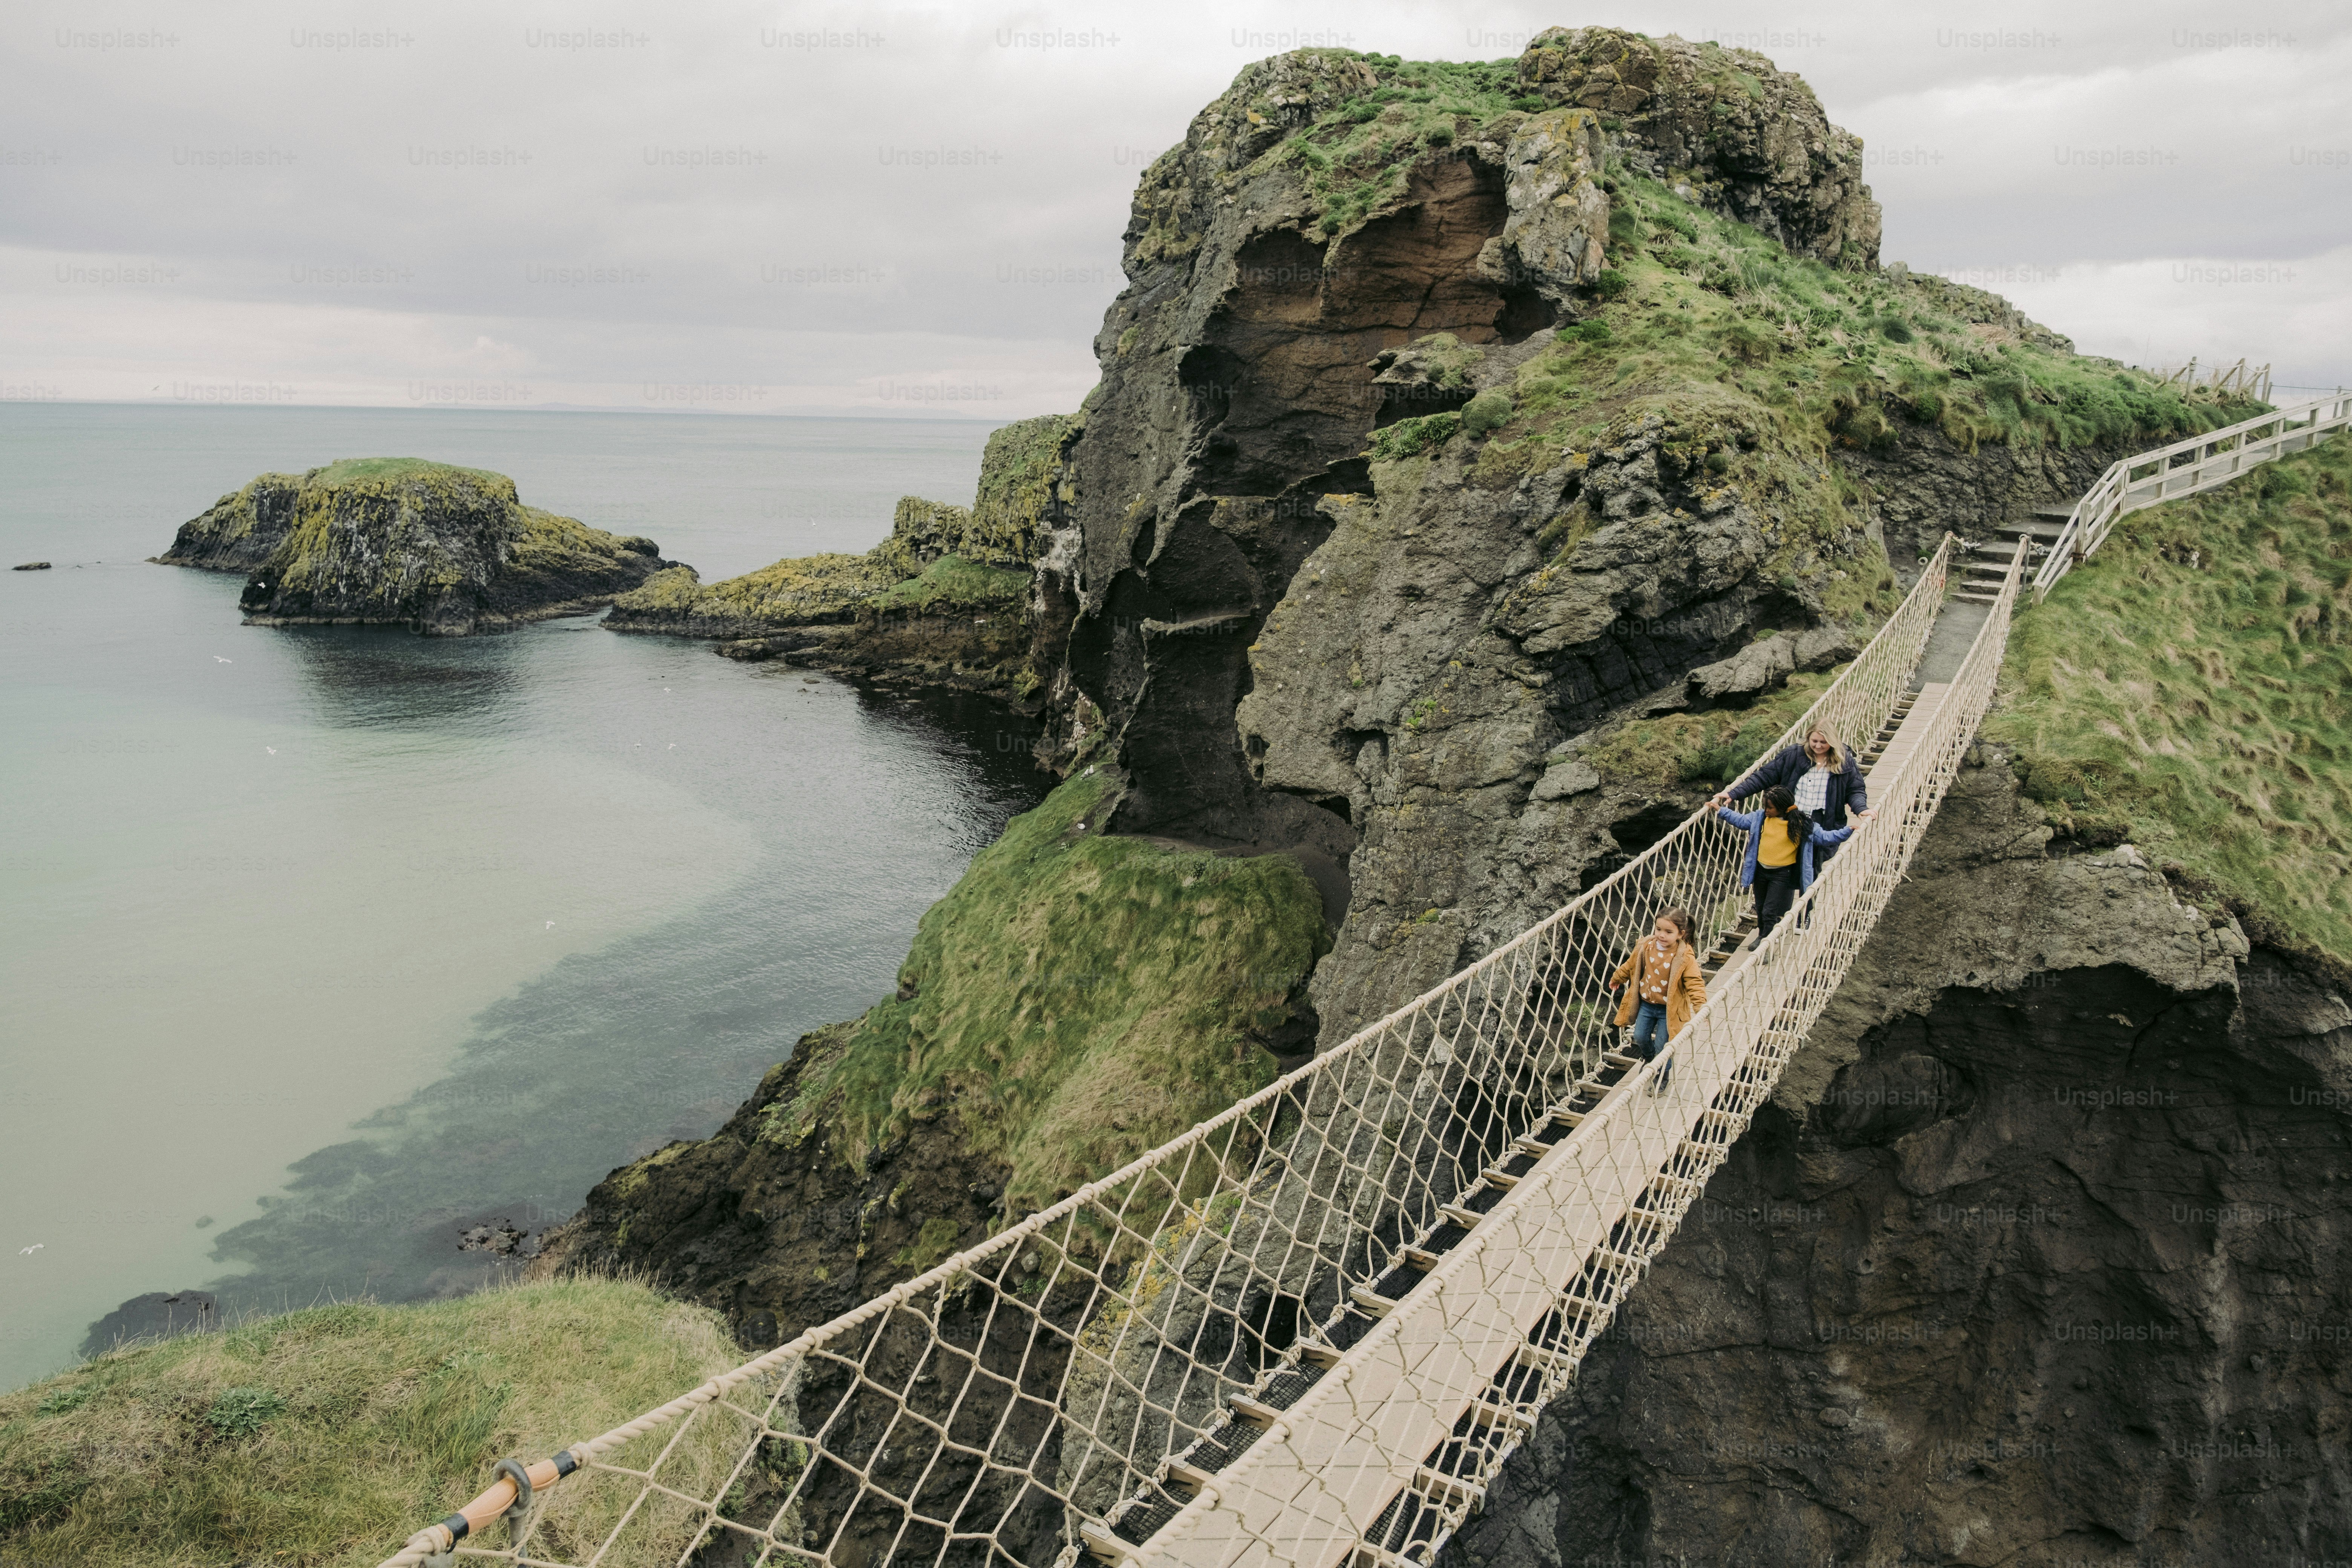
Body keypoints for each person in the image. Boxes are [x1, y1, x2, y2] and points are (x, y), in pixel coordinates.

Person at [1716, 785, 1861, 948]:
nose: (1766, 811)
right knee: (1761, 907)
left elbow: (1825, 837)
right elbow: (1741, 821)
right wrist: (1720, 810)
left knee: (1770, 911)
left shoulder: (1802, 824)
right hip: (1761, 871)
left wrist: (1847, 832)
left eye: (1770, 808)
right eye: (1765, 807)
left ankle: (1765, 943)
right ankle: (1763, 935)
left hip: (1782, 874)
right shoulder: (1760, 818)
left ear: (1782, 808)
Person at [1709, 723, 1874, 864]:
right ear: (1808, 738)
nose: (1818, 746)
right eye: (1814, 741)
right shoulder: (1794, 755)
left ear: (1833, 742)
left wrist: (1861, 809)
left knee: (1811, 868)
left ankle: (1808, 902)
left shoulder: (1844, 761)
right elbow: (1765, 776)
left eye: (1824, 742)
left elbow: (1855, 790)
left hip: (1822, 822)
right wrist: (1734, 793)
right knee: (1784, 864)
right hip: (1789, 818)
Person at [1608, 907, 1707, 1095]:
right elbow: (1631, 965)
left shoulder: (1684, 956)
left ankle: (1662, 1074)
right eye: (1658, 929)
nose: (1661, 935)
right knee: (1640, 1037)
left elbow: (1694, 981)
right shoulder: (1646, 946)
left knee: (1664, 1045)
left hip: (1669, 1009)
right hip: (1646, 1004)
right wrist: (1617, 978)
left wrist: (1701, 1005)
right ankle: (1649, 1059)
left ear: (1681, 934)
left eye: (1668, 932)